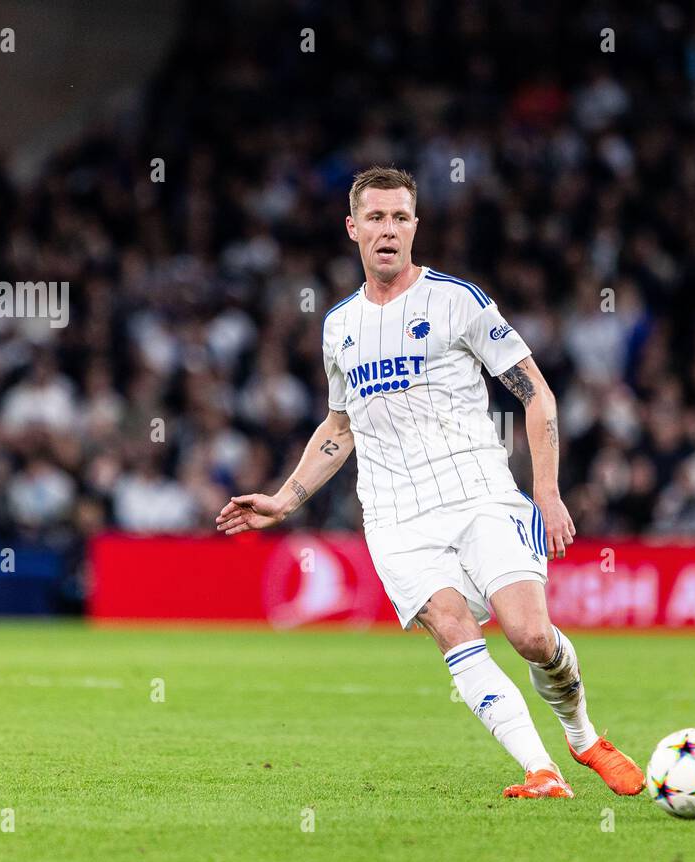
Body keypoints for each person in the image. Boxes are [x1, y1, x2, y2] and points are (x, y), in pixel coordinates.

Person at [217, 167, 644, 798]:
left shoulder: (458, 302)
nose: (387, 229)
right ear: (352, 228)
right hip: (395, 517)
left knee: (530, 636)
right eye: (375, 218)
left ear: (415, 226)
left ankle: (582, 738)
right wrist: (284, 498)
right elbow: (341, 425)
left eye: (399, 217)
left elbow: (538, 397)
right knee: (453, 629)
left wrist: (548, 493)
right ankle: (540, 770)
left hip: (480, 495)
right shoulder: (339, 327)